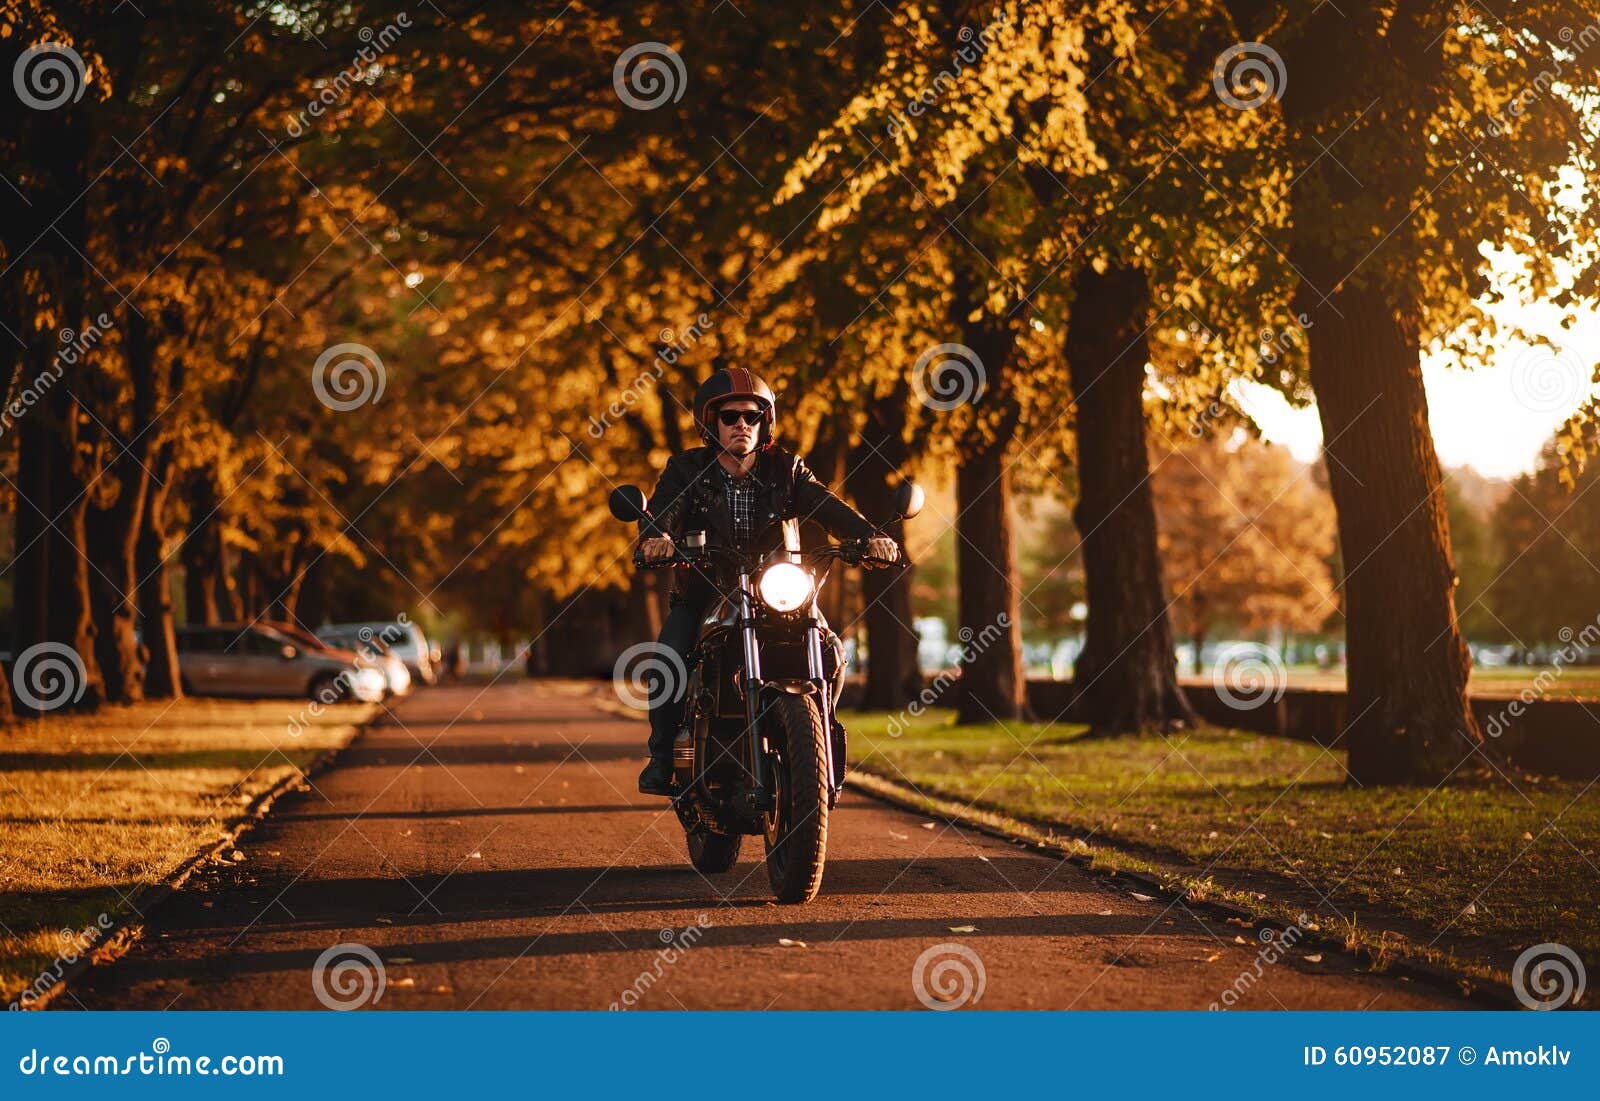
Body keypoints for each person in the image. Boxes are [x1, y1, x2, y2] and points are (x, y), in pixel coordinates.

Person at [634, 367, 900, 796]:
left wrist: (869, 537)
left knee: (829, 648)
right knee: (669, 656)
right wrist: (655, 540)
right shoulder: (686, 470)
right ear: (710, 424)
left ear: (765, 423)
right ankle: (663, 757)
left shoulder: (787, 469)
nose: (742, 424)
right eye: (730, 416)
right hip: (707, 589)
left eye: (753, 416)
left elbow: (826, 506)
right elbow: (664, 511)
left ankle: (816, 737)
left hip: (776, 589)